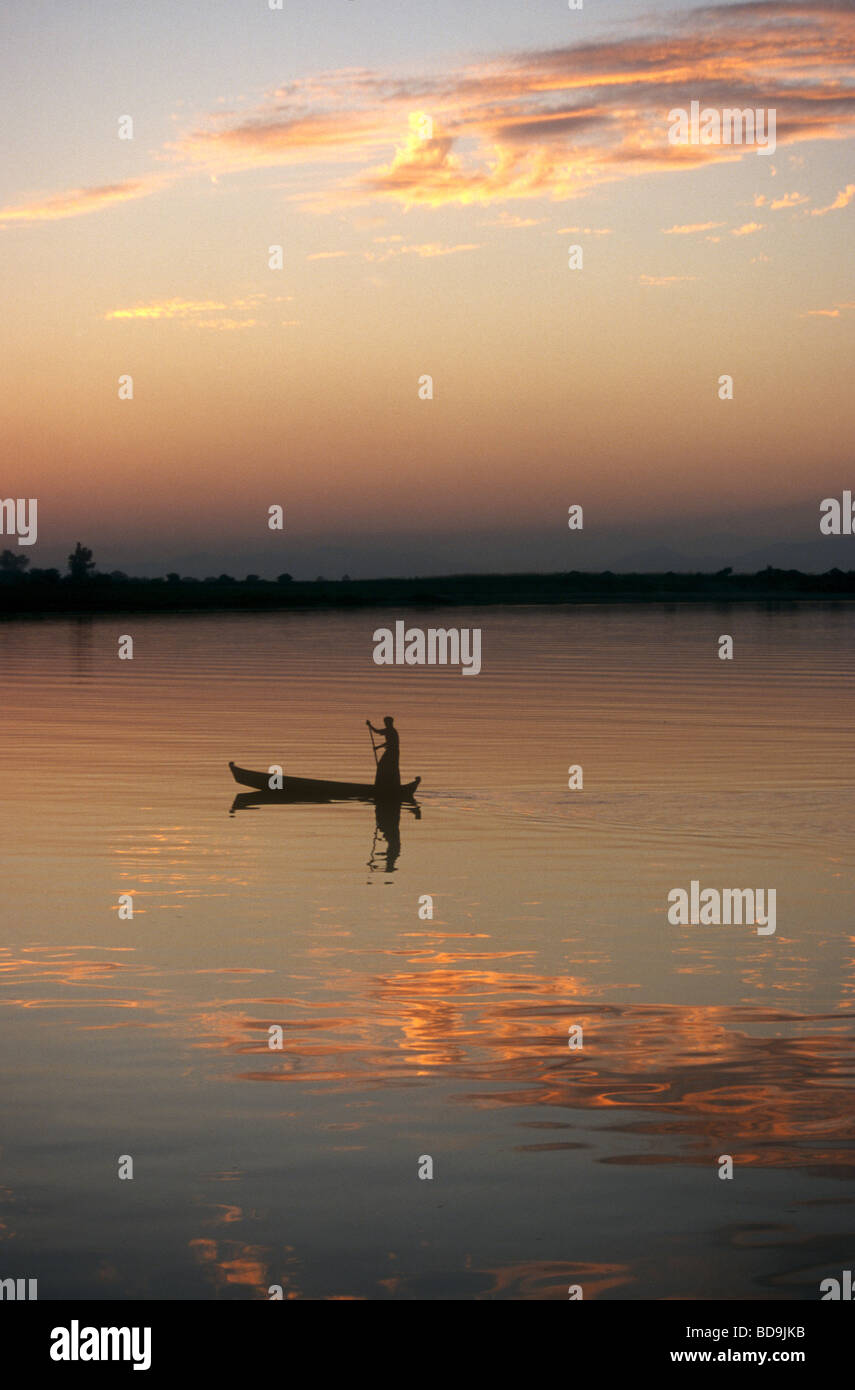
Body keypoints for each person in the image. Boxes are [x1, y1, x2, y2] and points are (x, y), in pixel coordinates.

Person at [366, 716, 400, 789]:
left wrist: (378, 747)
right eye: (385, 723)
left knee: (383, 766)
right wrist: (370, 725)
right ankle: (383, 784)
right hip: (390, 751)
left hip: (392, 752)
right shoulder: (388, 730)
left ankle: (388, 785)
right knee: (383, 767)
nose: (385, 724)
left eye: (386, 723)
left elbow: (389, 742)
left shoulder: (391, 731)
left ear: (390, 723)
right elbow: (378, 732)